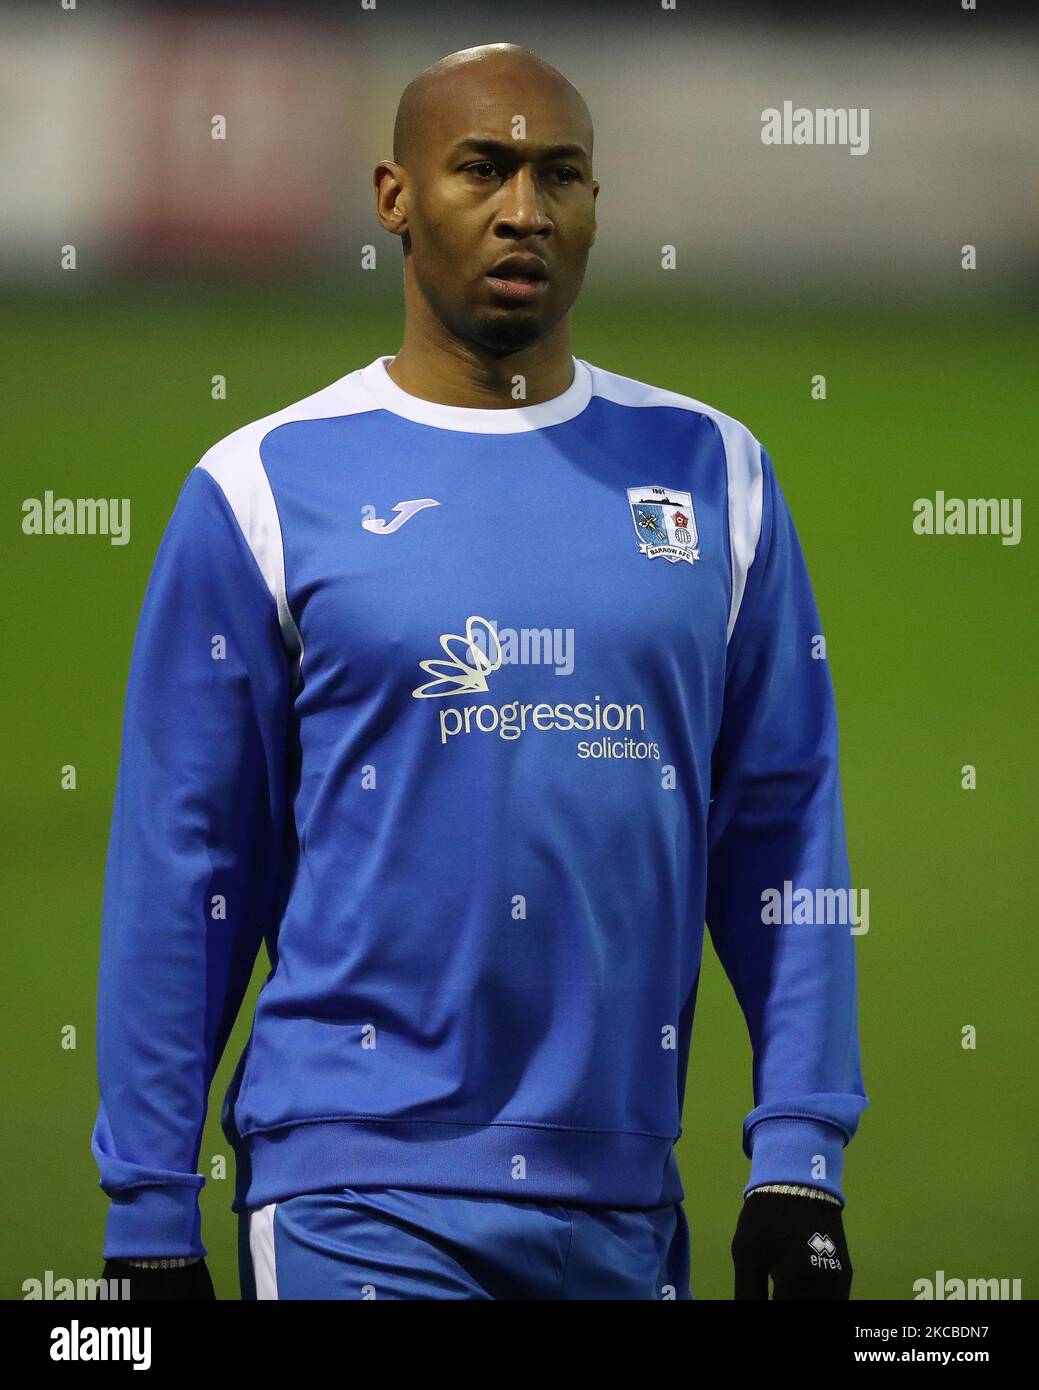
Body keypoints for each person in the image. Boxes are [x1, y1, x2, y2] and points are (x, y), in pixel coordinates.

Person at [93, 42, 868, 1301]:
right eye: (483, 169)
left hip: (622, 1198)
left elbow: (783, 835)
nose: (525, 209)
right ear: (394, 197)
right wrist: (148, 1211)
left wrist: (801, 1155)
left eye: (560, 174)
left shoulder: (715, 475)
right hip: (351, 1192)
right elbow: (187, 870)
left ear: (598, 207)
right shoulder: (260, 489)